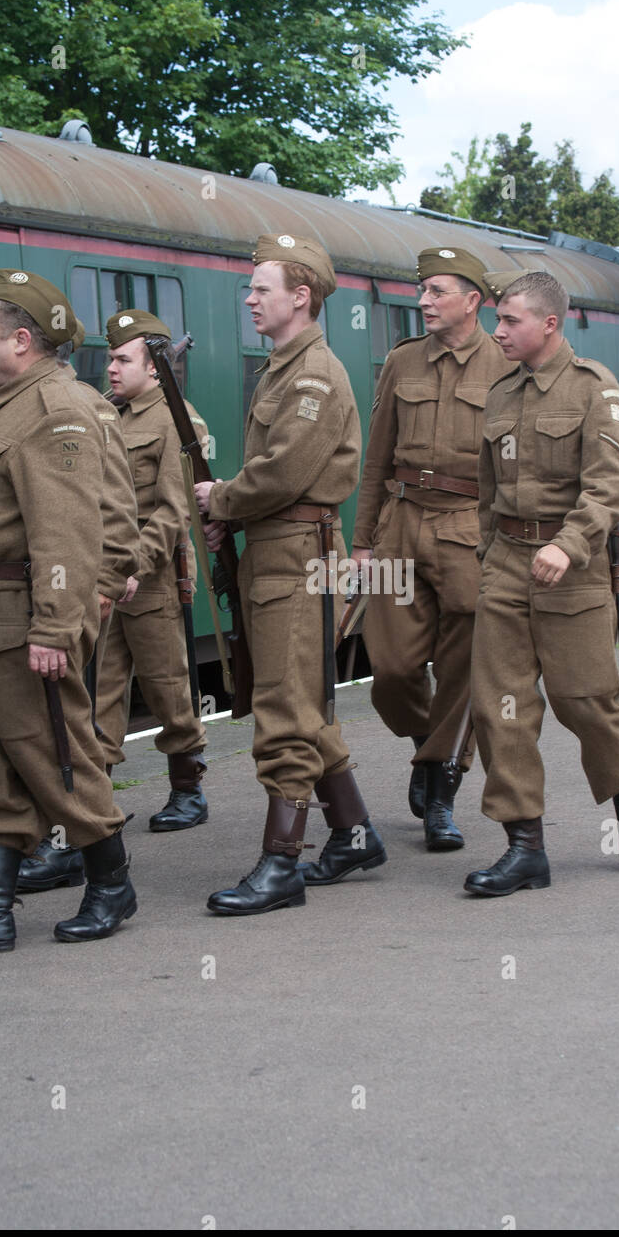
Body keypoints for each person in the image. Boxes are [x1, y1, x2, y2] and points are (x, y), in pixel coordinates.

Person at [0, 269, 135, 951]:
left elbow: (65, 529)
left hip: (21, 615)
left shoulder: (55, 409)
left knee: (55, 755)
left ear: (21, 341)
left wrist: (54, 627)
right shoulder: (11, 403)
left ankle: (111, 884)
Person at [194, 233, 386, 915]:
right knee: (303, 702)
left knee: (282, 707)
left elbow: (285, 472)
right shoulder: (283, 367)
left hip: (295, 557)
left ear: (300, 297)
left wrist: (223, 499)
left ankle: (281, 865)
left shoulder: (311, 375)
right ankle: (355, 836)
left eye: (261, 289)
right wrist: (235, 515)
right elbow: (276, 479)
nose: (249, 299)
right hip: (277, 550)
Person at [464, 268, 619, 898]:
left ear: (549, 322)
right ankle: (525, 848)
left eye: (511, 320)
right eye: (499, 320)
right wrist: (492, 555)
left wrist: (568, 546)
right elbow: (489, 492)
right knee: (501, 707)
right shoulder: (499, 395)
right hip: (507, 566)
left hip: (571, 570)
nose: (500, 332)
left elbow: (608, 490)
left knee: (585, 701)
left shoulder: (593, 389)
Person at [350, 247, 512, 850]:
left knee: (462, 670)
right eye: (422, 291)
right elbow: (376, 458)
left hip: (470, 531)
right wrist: (362, 542)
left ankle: (443, 788)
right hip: (400, 525)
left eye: (438, 291)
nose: (424, 301)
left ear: (472, 300)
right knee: (390, 668)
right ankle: (427, 748)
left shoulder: (503, 364)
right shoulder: (402, 362)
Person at [15, 314, 141, 893]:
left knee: (70, 730)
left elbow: (118, 507)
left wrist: (107, 582)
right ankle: (35, 852)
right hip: (33, 597)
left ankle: (94, 864)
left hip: (76, 595)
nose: (112, 367)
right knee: (33, 732)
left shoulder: (81, 408)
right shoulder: (12, 408)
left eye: (123, 359)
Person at [94, 310, 210, 831]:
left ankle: (188, 789)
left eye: (123, 359)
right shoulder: (107, 417)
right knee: (100, 686)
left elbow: (174, 508)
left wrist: (135, 564)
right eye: (110, 358)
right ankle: (93, 804)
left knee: (167, 686)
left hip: (150, 576)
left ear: (154, 366)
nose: (111, 368)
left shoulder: (178, 421)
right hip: (103, 574)